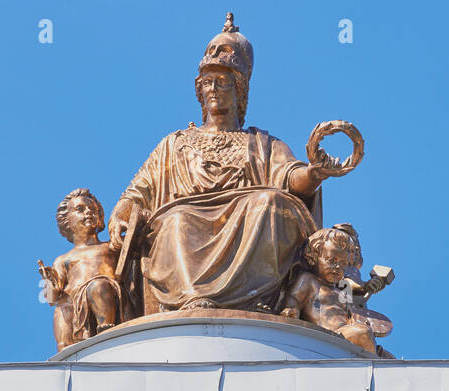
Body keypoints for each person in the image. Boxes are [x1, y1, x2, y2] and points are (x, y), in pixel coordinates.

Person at [107, 14, 344, 314]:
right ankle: (193, 297)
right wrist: (119, 215)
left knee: (270, 202)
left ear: (240, 91)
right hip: (184, 216)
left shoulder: (263, 143)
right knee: (177, 220)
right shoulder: (173, 143)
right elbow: (138, 192)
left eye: (223, 82)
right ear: (199, 91)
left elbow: (289, 177)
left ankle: (258, 297)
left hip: (248, 215)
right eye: (207, 82)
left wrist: (314, 172)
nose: (213, 89)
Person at [281, 225, 390, 353]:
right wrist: (291, 309)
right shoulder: (309, 280)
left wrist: (369, 288)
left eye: (343, 263)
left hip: (346, 334)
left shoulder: (342, 290)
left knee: (387, 355)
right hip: (327, 336)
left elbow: (356, 307)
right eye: (331, 260)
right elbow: (294, 299)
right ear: (313, 257)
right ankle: (369, 364)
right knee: (363, 333)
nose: (337, 267)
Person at [38, 188, 121, 350]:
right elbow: (52, 297)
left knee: (97, 286)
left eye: (93, 210)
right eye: (80, 209)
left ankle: (107, 333)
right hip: (71, 303)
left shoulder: (110, 246)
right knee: (62, 308)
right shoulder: (63, 259)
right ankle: (65, 355)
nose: (89, 212)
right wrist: (48, 281)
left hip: (103, 293)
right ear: (67, 221)